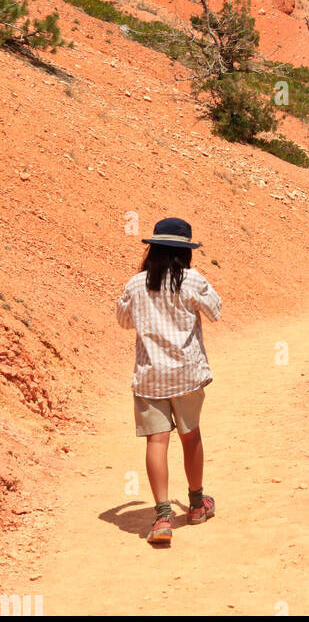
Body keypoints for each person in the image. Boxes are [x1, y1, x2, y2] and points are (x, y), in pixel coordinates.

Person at [116, 217, 222, 547]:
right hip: (187, 374)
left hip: (150, 376)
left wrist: (142, 271)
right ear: (186, 252)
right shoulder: (192, 281)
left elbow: (122, 320)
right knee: (191, 438)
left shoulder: (137, 283)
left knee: (156, 442)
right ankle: (195, 504)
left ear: (153, 250)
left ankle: (162, 516)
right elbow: (216, 310)